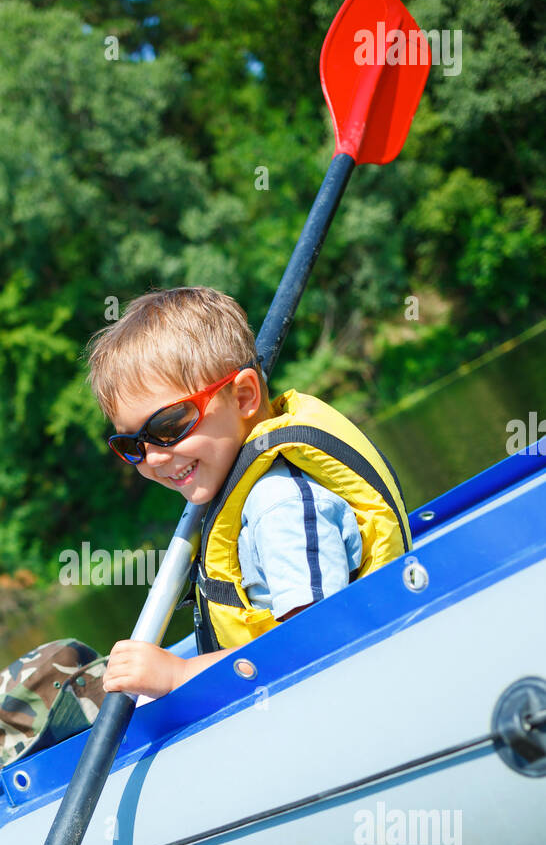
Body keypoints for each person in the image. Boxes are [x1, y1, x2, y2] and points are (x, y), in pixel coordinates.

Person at [86, 286, 411, 701]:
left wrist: (179, 675)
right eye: (131, 446)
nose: (153, 458)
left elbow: (321, 646)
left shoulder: (278, 508)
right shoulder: (242, 490)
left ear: (244, 396)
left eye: (168, 426)